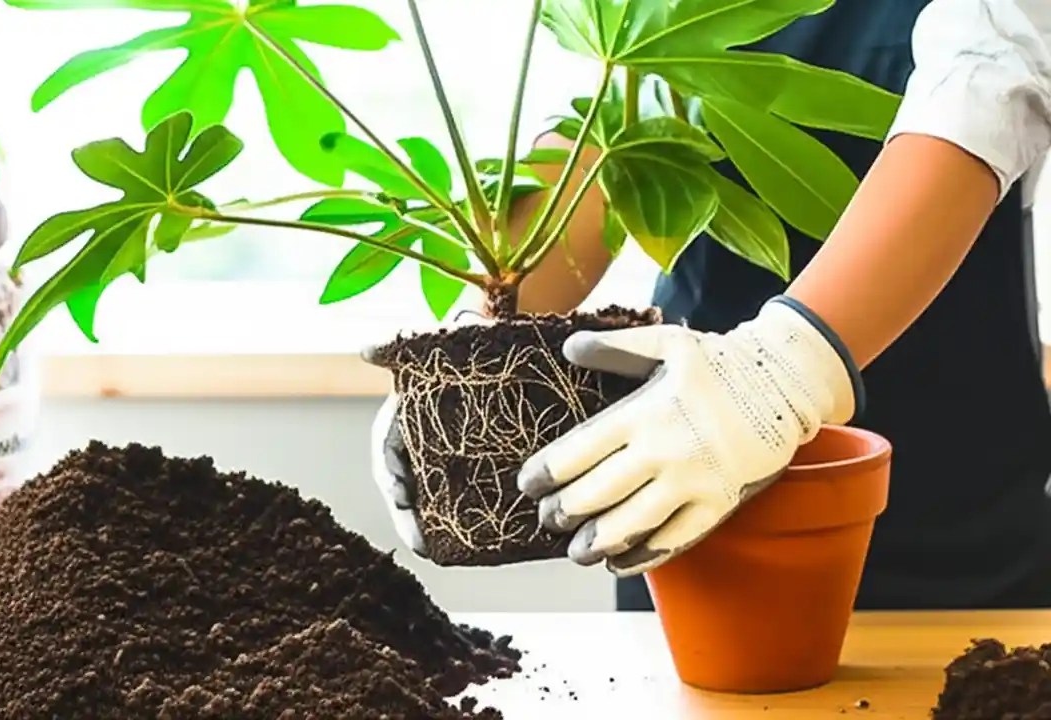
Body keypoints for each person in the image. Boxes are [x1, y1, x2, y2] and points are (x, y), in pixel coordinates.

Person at [367, 0, 1051, 611]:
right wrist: (463, 362)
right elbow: (606, 135)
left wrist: (780, 373)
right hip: (685, 509)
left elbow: (988, 87)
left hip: (952, 521)